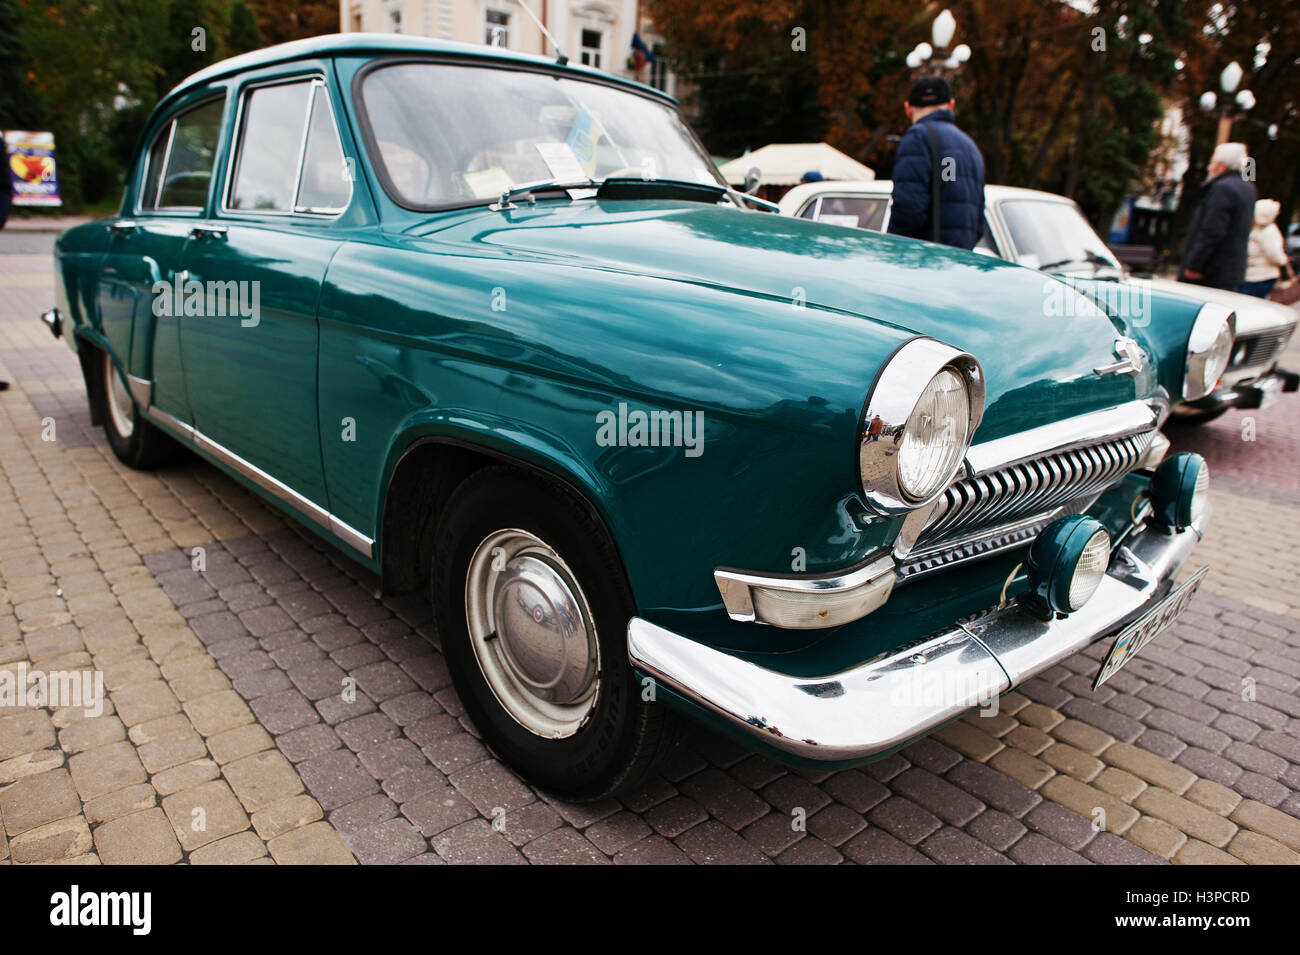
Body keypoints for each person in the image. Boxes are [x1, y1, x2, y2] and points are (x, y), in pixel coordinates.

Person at [887, 75, 985, 250]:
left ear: (908, 108)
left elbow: (908, 210)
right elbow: (978, 224)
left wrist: (893, 249)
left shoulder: (918, 138)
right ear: (951, 105)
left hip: (926, 261)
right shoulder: (970, 147)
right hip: (961, 261)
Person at [1179, 142, 1256, 290]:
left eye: (1212, 162)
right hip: (1231, 271)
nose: (1209, 167)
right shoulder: (1248, 188)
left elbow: (1212, 231)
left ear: (1222, 166)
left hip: (1210, 272)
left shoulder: (1223, 188)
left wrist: (1195, 265)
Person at [1239, 198, 1289, 298]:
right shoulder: (1258, 228)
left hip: (1261, 277)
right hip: (1253, 275)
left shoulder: (1269, 231)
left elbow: (1275, 255)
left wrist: (1284, 260)